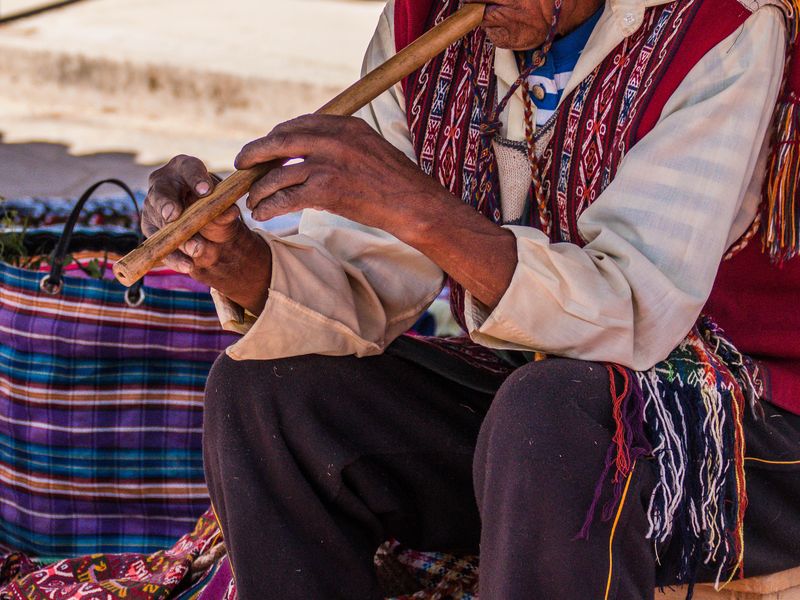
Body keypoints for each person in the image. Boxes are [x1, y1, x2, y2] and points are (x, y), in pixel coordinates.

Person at [142, 0, 800, 597]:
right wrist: (240, 264)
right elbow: (367, 280)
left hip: (749, 434)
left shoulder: (721, 29)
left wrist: (422, 211)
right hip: (531, 415)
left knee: (551, 415)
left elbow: (632, 314)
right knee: (265, 393)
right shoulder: (421, 22)